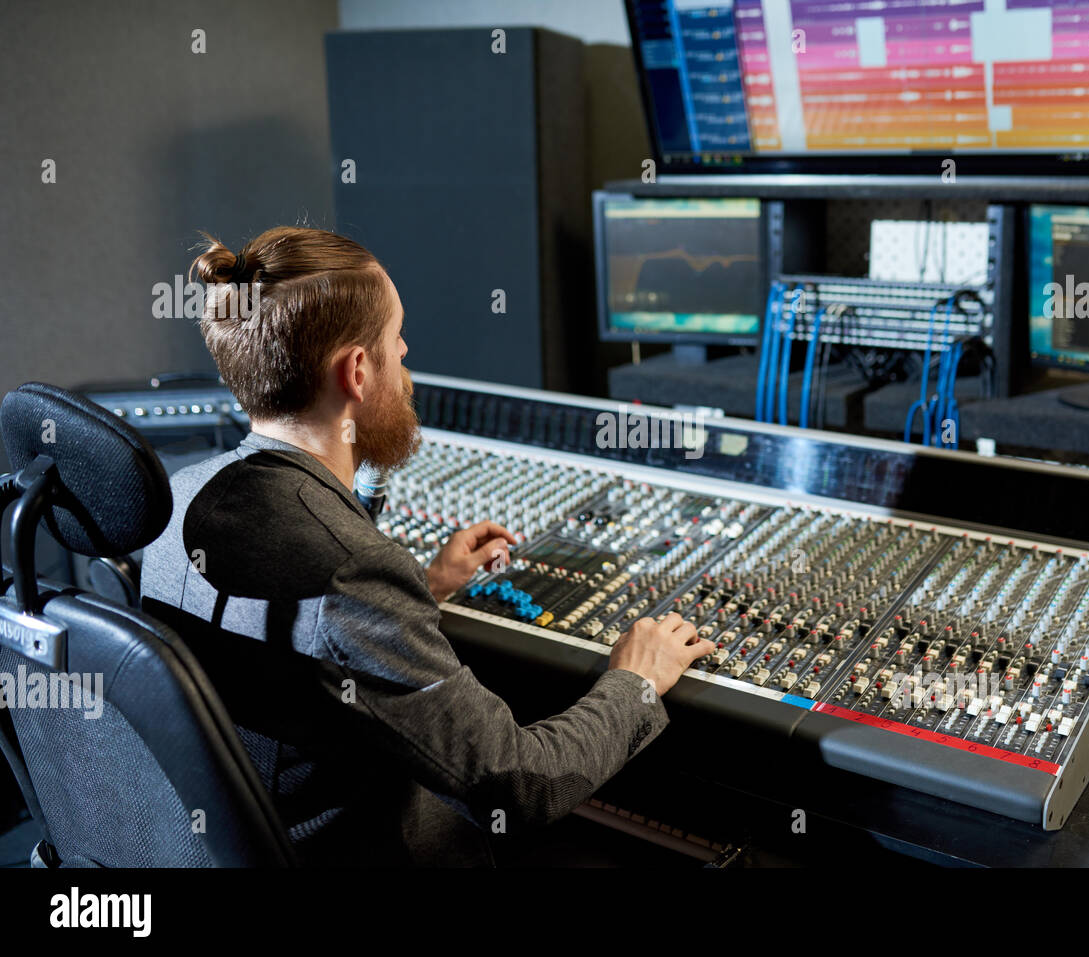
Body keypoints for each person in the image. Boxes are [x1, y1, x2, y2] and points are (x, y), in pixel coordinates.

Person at [141, 226, 714, 865]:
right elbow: (519, 786)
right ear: (357, 371)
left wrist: (428, 583)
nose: (406, 358)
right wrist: (634, 681)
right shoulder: (353, 575)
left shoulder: (178, 498)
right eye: (397, 341)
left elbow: (294, 648)